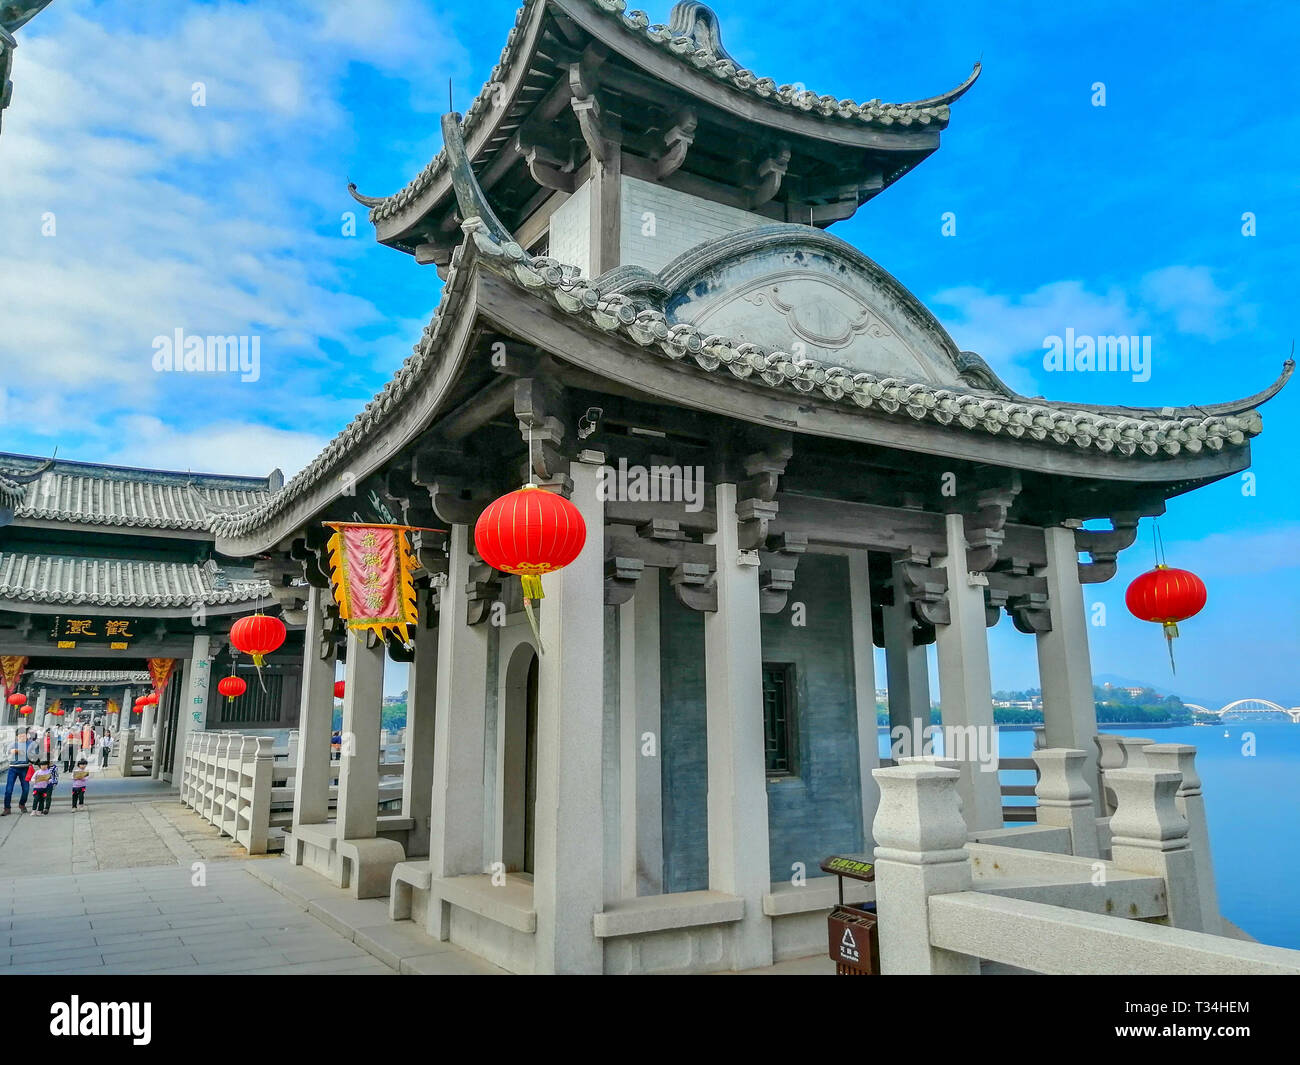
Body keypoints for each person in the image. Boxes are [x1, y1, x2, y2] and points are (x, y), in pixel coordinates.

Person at [4, 728, 32, 815]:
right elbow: (6, 753)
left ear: (27, 736)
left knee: (26, 789)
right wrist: (12, 751)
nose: (22, 738)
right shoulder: (13, 744)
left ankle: (22, 804)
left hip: (25, 768)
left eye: (24, 736)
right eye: (20, 736)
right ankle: (7, 808)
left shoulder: (30, 744)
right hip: (13, 768)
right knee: (9, 789)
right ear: (17, 736)